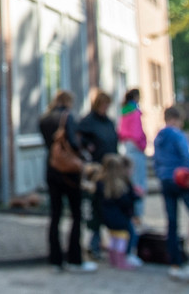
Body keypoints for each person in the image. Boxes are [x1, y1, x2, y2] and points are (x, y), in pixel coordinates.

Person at [40, 90, 96, 272]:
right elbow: (72, 142)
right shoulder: (67, 117)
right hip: (68, 172)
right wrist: (83, 151)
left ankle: (55, 260)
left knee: (55, 215)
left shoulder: (45, 118)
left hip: (51, 169)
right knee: (76, 214)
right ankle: (74, 258)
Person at [153, 105, 189, 269]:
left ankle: (174, 261)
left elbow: (156, 161)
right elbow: (186, 155)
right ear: (174, 120)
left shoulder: (158, 137)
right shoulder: (177, 135)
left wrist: (162, 175)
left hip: (165, 180)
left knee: (172, 222)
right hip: (181, 179)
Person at [77, 91, 119, 256]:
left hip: (110, 169)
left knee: (109, 204)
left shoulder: (108, 122)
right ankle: (95, 242)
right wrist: (88, 147)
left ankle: (108, 242)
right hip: (96, 170)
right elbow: (79, 138)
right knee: (96, 206)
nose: (106, 108)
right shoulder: (88, 122)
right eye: (104, 105)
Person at [96, 153, 143, 270]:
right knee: (122, 238)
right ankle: (121, 260)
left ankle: (113, 259)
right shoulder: (119, 186)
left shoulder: (101, 183)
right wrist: (136, 196)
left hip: (107, 217)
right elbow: (125, 202)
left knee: (113, 238)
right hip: (120, 218)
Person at [118, 88, 149, 223]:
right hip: (135, 147)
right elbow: (137, 133)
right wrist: (142, 144)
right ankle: (137, 215)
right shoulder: (134, 112)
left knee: (132, 180)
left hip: (127, 145)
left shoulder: (124, 111)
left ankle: (133, 213)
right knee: (138, 183)